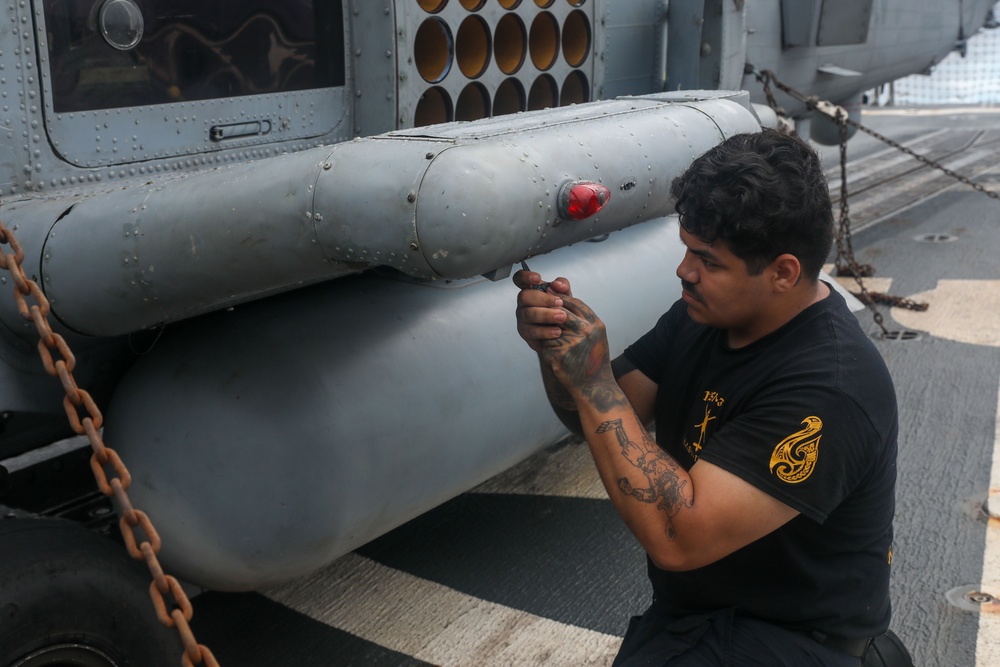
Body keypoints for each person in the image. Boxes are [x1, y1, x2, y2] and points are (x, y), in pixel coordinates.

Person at [514, 128, 900, 666]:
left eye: (708, 261)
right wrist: (560, 354)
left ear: (784, 272)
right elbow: (600, 417)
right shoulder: (707, 316)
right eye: (687, 250)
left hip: (792, 643)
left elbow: (678, 535)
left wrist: (593, 383)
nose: (684, 271)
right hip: (703, 622)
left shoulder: (830, 387)